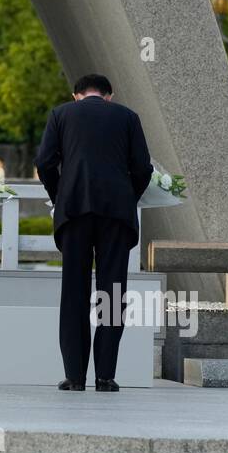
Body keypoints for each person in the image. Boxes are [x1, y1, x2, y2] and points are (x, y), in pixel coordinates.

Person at [35, 73, 152, 393]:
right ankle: (105, 376)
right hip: (116, 213)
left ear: (76, 95)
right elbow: (143, 167)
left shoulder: (60, 114)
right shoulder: (128, 117)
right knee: (112, 294)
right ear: (109, 95)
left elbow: (44, 162)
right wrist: (128, 196)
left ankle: (74, 376)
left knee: (73, 292)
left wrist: (61, 195)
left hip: (74, 212)